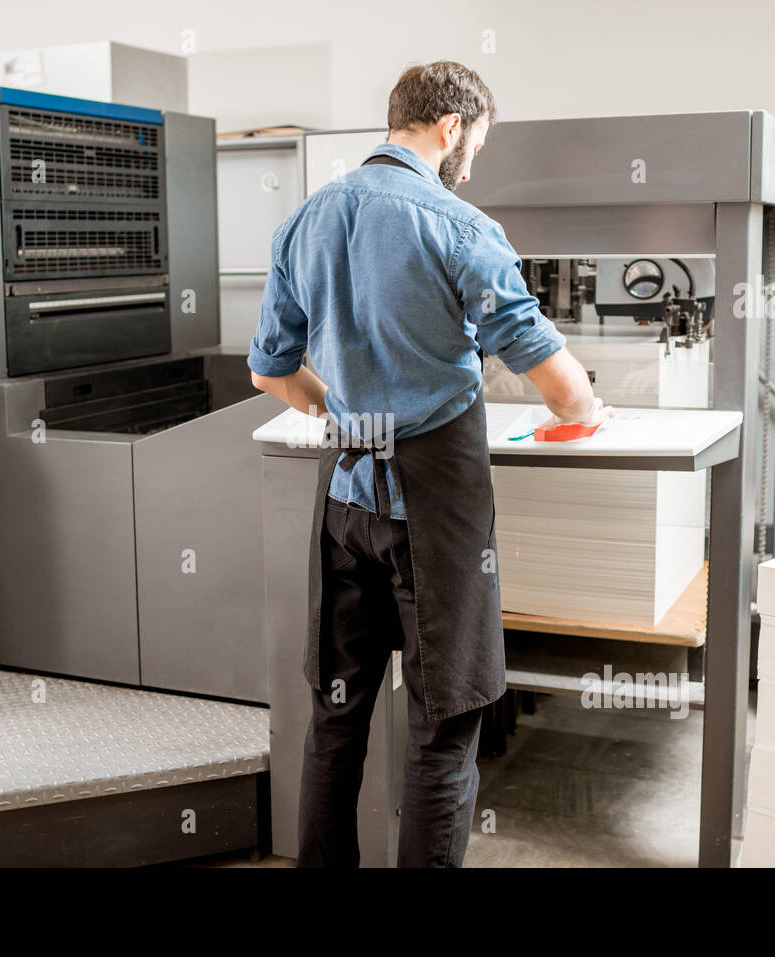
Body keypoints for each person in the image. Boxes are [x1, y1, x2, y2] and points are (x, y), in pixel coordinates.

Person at [248, 60, 609, 867]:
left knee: (337, 717)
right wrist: (587, 409)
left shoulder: (306, 219)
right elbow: (561, 388)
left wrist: (340, 409)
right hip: (434, 515)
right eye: (474, 145)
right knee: (444, 726)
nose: (472, 165)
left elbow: (270, 370)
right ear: (450, 127)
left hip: (343, 502)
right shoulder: (457, 225)